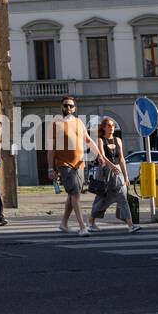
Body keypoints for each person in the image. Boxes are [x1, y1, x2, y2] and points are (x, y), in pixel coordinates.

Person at [51, 98, 101, 236]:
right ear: (61, 107)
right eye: (65, 105)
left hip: (79, 164)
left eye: (71, 106)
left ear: (74, 108)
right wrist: (51, 168)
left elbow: (88, 140)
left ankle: (64, 223)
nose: (68, 108)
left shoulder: (79, 123)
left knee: (72, 194)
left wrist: (99, 155)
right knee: (76, 194)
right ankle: (82, 227)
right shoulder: (56, 124)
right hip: (64, 164)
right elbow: (51, 148)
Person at [89, 117, 141, 234]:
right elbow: (102, 156)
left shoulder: (118, 140)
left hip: (117, 171)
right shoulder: (100, 140)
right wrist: (112, 166)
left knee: (123, 197)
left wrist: (126, 176)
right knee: (102, 198)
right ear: (103, 127)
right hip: (104, 172)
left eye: (113, 125)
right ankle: (91, 222)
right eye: (108, 125)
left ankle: (130, 225)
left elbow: (122, 158)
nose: (111, 127)